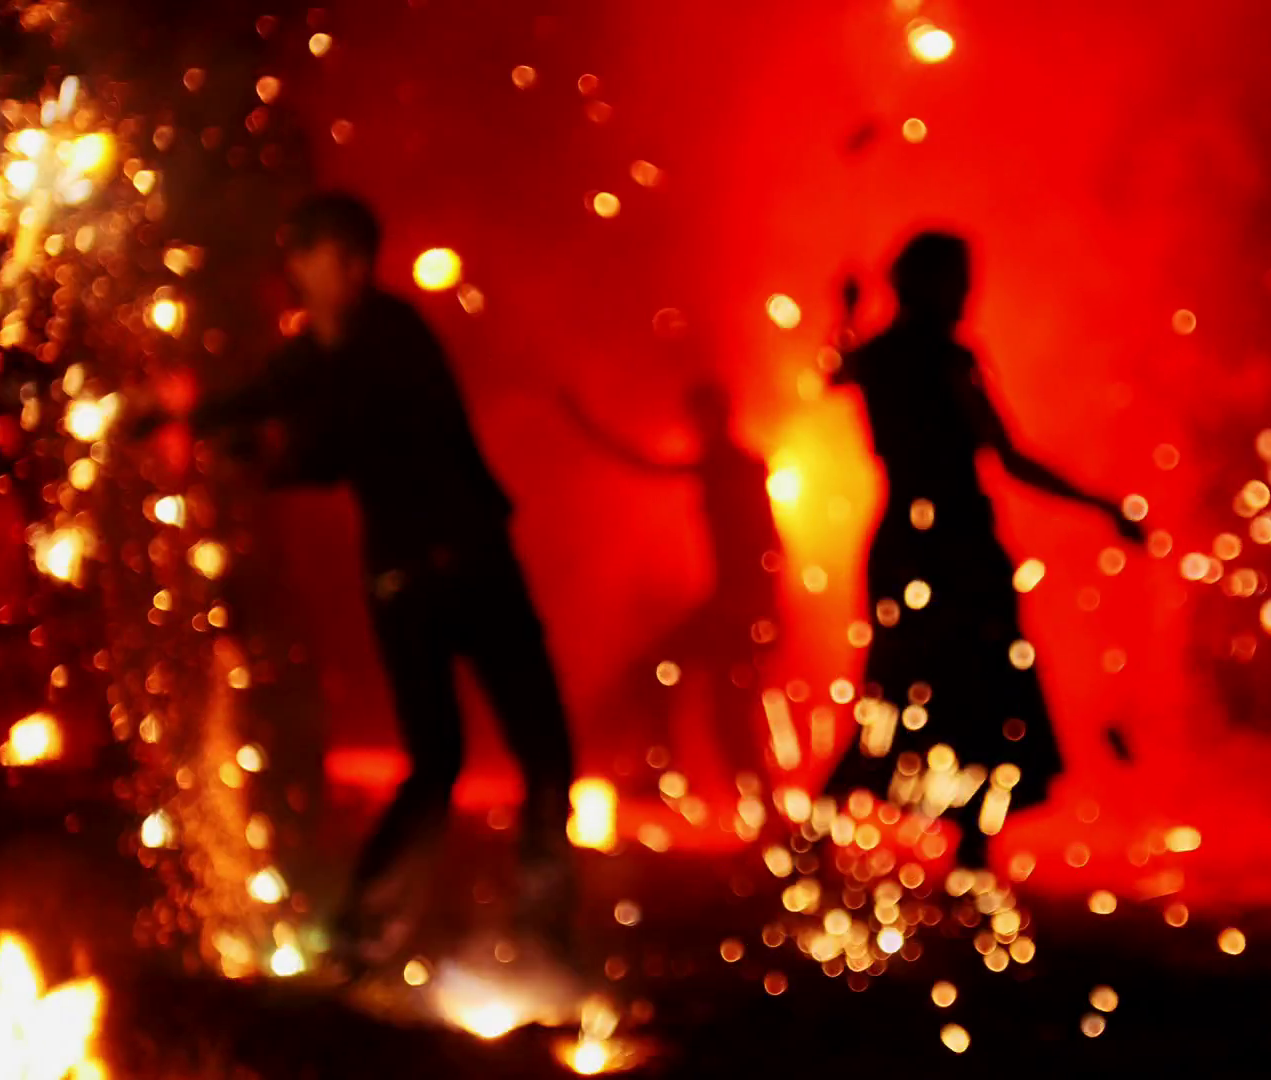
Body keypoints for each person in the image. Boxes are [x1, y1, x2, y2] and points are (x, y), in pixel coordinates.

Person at [130, 193, 576, 970]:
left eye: (306, 256)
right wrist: (180, 423)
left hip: (465, 562)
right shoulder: (321, 349)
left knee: (537, 750)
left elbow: (342, 435)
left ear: (348, 263)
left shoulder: (393, 339)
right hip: (412, 576)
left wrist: (268, 454)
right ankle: (369, 938)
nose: (294, 274)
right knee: (444, 759)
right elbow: (274, 399)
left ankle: (535, 932)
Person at [823, 231, 1143, 871]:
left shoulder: (884, 356)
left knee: (899, 687)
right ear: (932, 284)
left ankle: (824, 833)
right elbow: (1010, 456)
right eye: (958, 278)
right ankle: (966, 849)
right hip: (955, 546)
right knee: (978, 692)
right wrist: (1102, 506)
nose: (969, 292)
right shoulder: (947, 359)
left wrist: (848, 315)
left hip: (902, 542)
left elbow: (837, 372)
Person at [561, 379, 781, 798]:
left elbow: (769, 545)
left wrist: (584, 424)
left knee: (725, 713)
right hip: (734, 607)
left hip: (739, 611)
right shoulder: (726, 464)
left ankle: (745, 805)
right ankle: (675, 776)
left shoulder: (735, 467)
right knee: (694, 694)